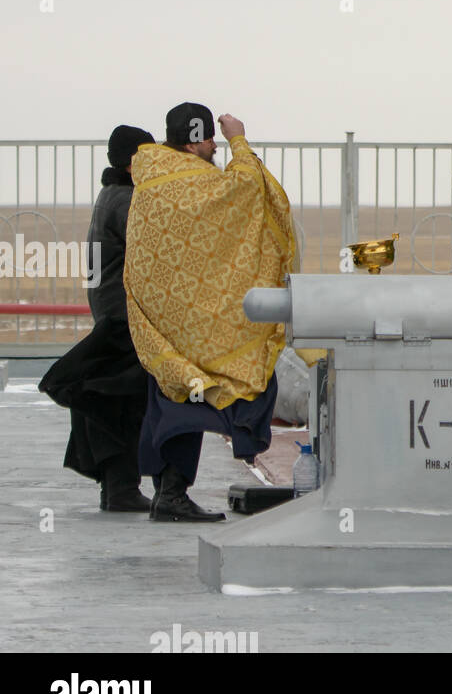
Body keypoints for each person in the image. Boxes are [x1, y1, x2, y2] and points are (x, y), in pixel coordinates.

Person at [125, 103, 295, 523]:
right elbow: (251, 188)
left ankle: (170, 493)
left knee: (174, 397)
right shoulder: (196, 182)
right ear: (196, 139)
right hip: (199, 324)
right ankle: (172, 494)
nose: (215, 145)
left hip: (163, 321)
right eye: (210, 139)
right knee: (232, 386)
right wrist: (239, 137)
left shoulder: (151, 179)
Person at [39, 125, 156, 511]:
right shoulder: (127, 201)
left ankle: (117, 489)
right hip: (123, 317)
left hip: (110, 311)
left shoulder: (109, 196)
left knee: (111, 396)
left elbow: (93, 269)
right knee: (122, 399)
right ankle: (121, 489)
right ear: (132, 161)